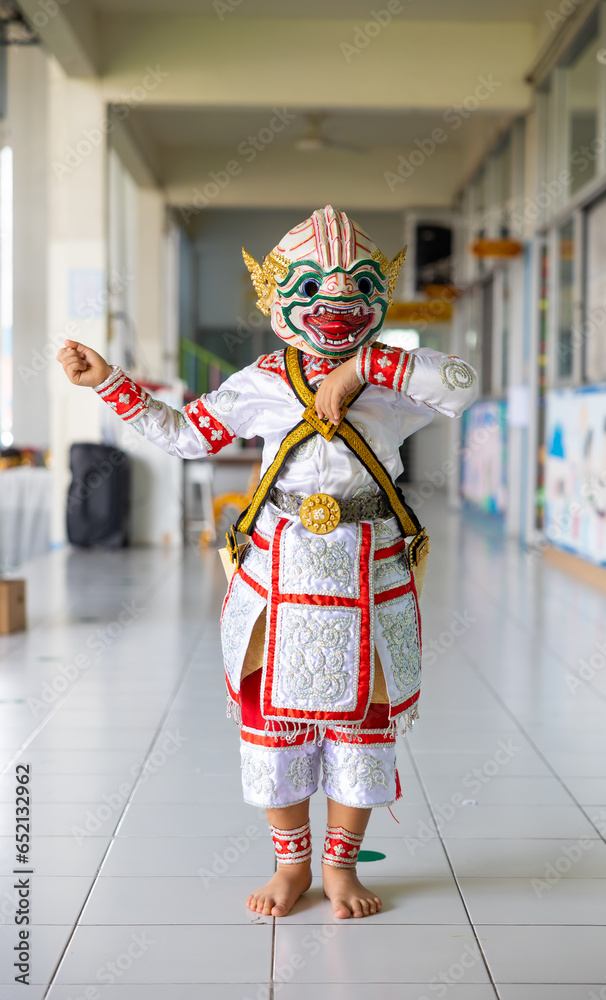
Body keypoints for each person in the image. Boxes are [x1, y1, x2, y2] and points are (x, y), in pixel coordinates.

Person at [57, 205, 478, 920]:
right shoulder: (259, 380)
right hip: (277, 579)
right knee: (270, 723)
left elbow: (462, 385)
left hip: (370, 570)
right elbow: (186, 433)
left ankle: (340, 868)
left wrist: (359, 371)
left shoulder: (397, 379)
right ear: (277, 298)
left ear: (377, 295)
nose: (335, 306)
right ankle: (289, 866)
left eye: (353, 290)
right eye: (311, 288)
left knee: (363, 725)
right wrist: (109, 382)